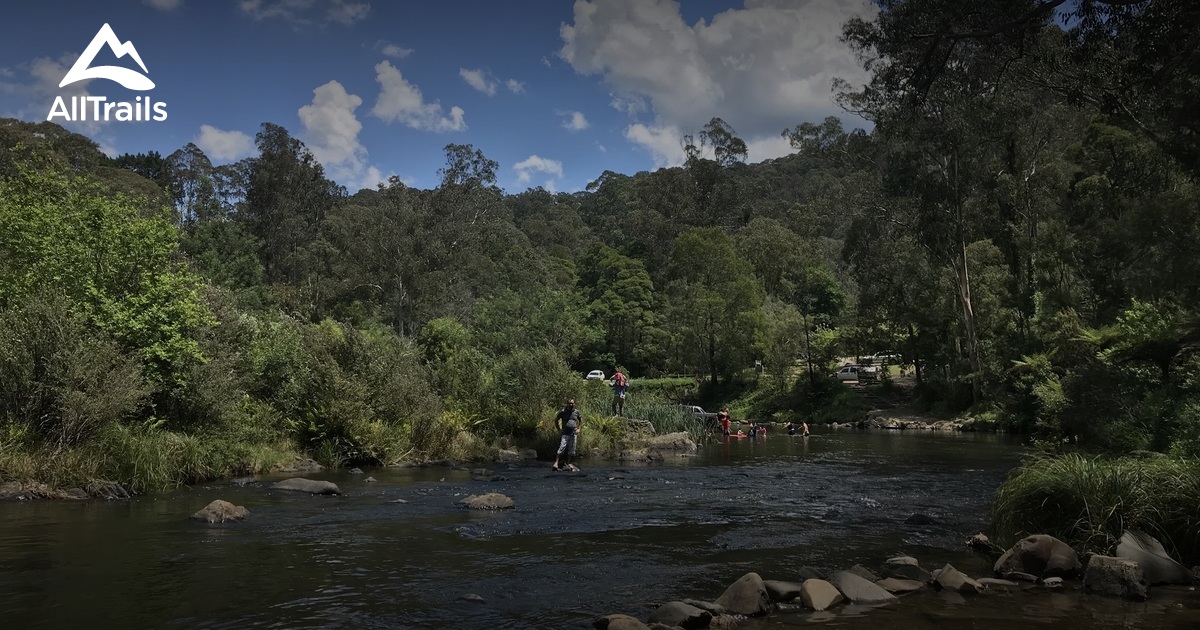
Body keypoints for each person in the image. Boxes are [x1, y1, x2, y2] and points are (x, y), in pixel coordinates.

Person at [553, 398, 582, 471]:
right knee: (562, 447)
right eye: (570, 403)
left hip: (573, 433)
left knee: (572, 449)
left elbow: (580, 420)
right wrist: (559, 429)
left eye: (572, 403)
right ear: (567, 404)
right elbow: (556, 420)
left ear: (574, 404)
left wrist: (579, 428)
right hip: (565, 433)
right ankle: (556, 462)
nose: (571, 405)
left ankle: (569, 463)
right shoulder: (563, 411)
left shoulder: (576, 412)